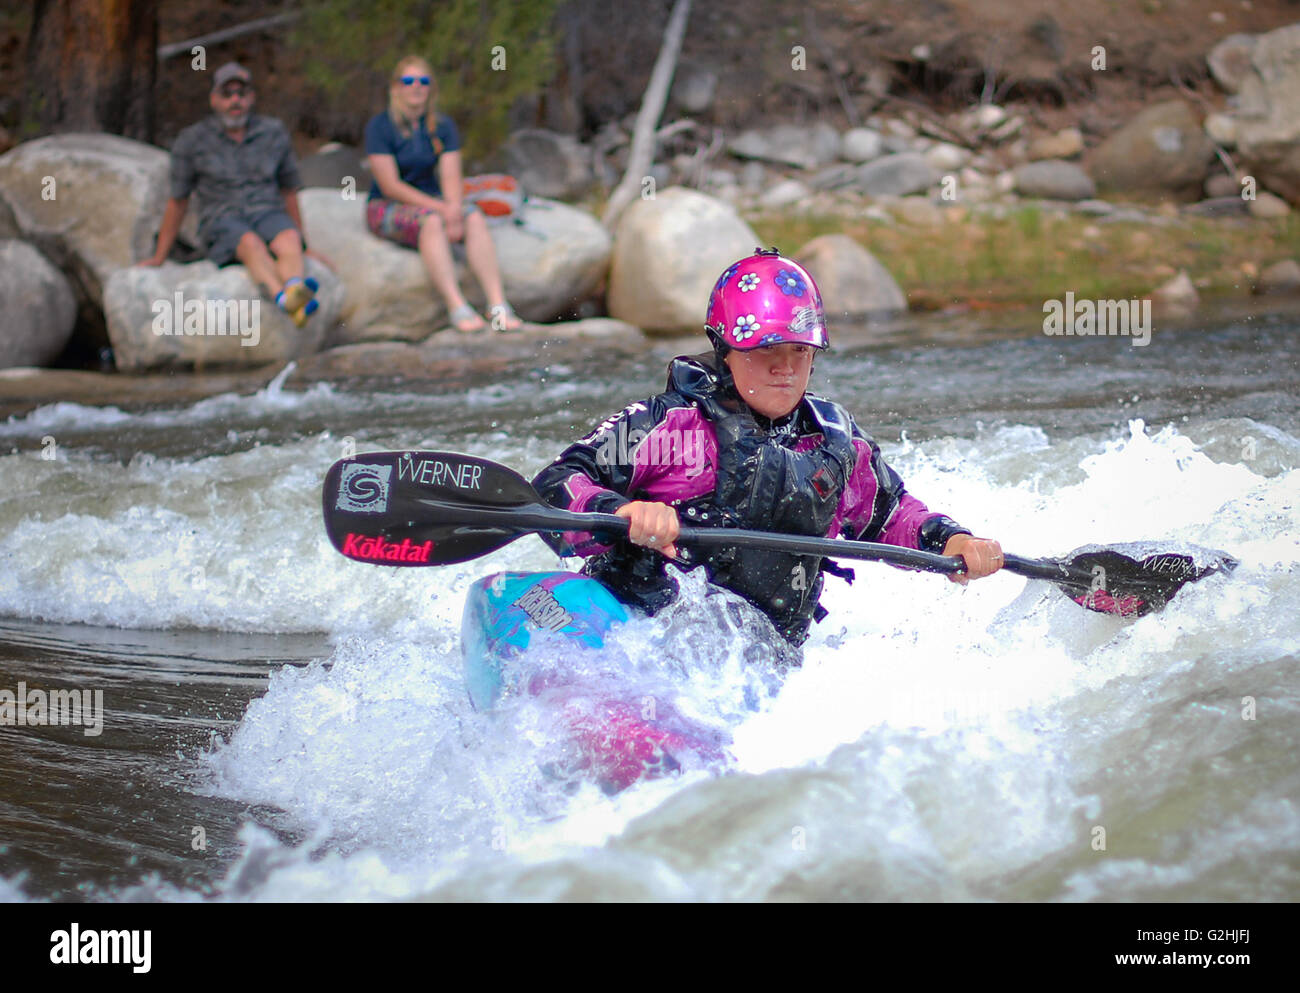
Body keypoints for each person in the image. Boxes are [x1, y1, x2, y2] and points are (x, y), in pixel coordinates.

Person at [532, 248, 1004, 647]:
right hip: (637, 635)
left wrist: (953, 540)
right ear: (726, 352)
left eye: (798, 351)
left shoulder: (835, 443)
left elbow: (891, 514)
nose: (785, 368)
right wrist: (621, 511)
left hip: (754, 663)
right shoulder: (670, 425)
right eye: (765, 351)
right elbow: (555, 484)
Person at [140, 62, 319, 327]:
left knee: (289, 239)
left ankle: (295, 291)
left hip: (267, 211)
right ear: (214, 99)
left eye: (241, 94)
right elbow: (178, 200)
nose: (235, 101)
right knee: (250, 243)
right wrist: (160, 256)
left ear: (251, 98)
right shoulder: (192, 140)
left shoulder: (273, 133)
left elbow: (289, 189)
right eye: (227, 94)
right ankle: (281, 297)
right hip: (221, 220)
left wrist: (307, 243)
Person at [364, 55, 523, 334]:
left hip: (434, 201)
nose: (416, 87)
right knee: (432, 222)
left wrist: (453, 208)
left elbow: (451, 175)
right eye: (408, 81)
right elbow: (391, 186)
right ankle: (456, 305)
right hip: (389, 206)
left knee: (473, 217)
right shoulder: (380, 128)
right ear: (396, 87)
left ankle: (497, 304)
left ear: (431, 88)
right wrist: (441, 210)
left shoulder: (442, 126)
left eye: (423, 81)